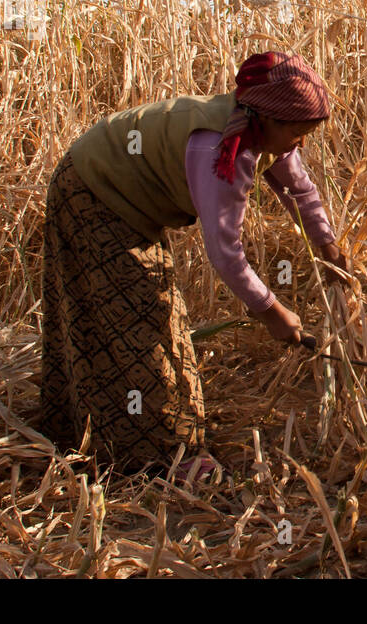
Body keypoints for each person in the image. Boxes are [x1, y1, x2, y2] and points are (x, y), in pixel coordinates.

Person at [37, 51, 350, 480]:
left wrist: (329, 249)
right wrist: (270, 310)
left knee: (154, 317)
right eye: (297, 133)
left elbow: (299, 188)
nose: (300, 144)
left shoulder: (256, 125)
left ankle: (123, 433)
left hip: (124, 200)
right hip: (92, 193)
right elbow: (224, 252)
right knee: (138, 325)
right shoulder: (221, 150)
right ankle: (160, 457)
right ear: (267, 119)